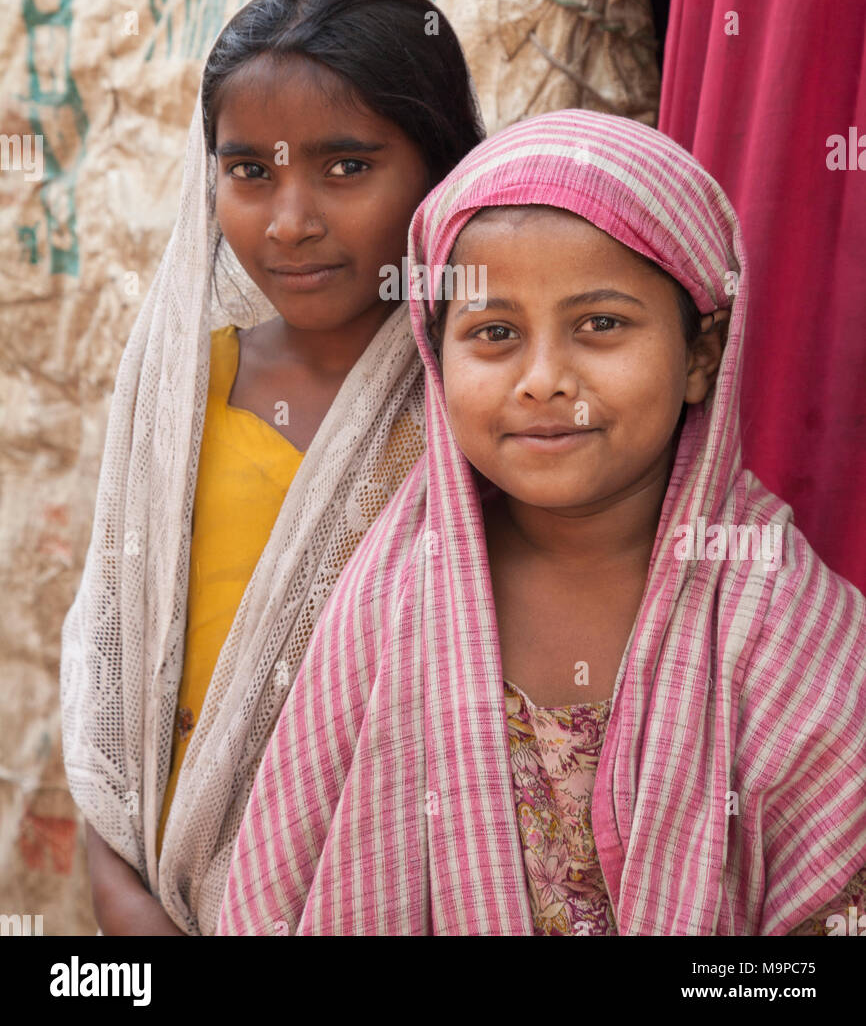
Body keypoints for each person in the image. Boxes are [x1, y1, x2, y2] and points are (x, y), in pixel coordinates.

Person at [217, 108, 866, 936]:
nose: (544, 380)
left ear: (701, 355)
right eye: (494, 333)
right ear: (435, 354)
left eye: (600, 325)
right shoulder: (389, 597)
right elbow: (289, 881)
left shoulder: (788, 625)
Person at [60, 0, 485, 935]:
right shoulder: (176, 400)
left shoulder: (478, 413)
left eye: (345, 167)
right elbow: (115, 697)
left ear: (439, 170)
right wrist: (126, 899)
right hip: (166, 894)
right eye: (250, 170)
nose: (289, 221)